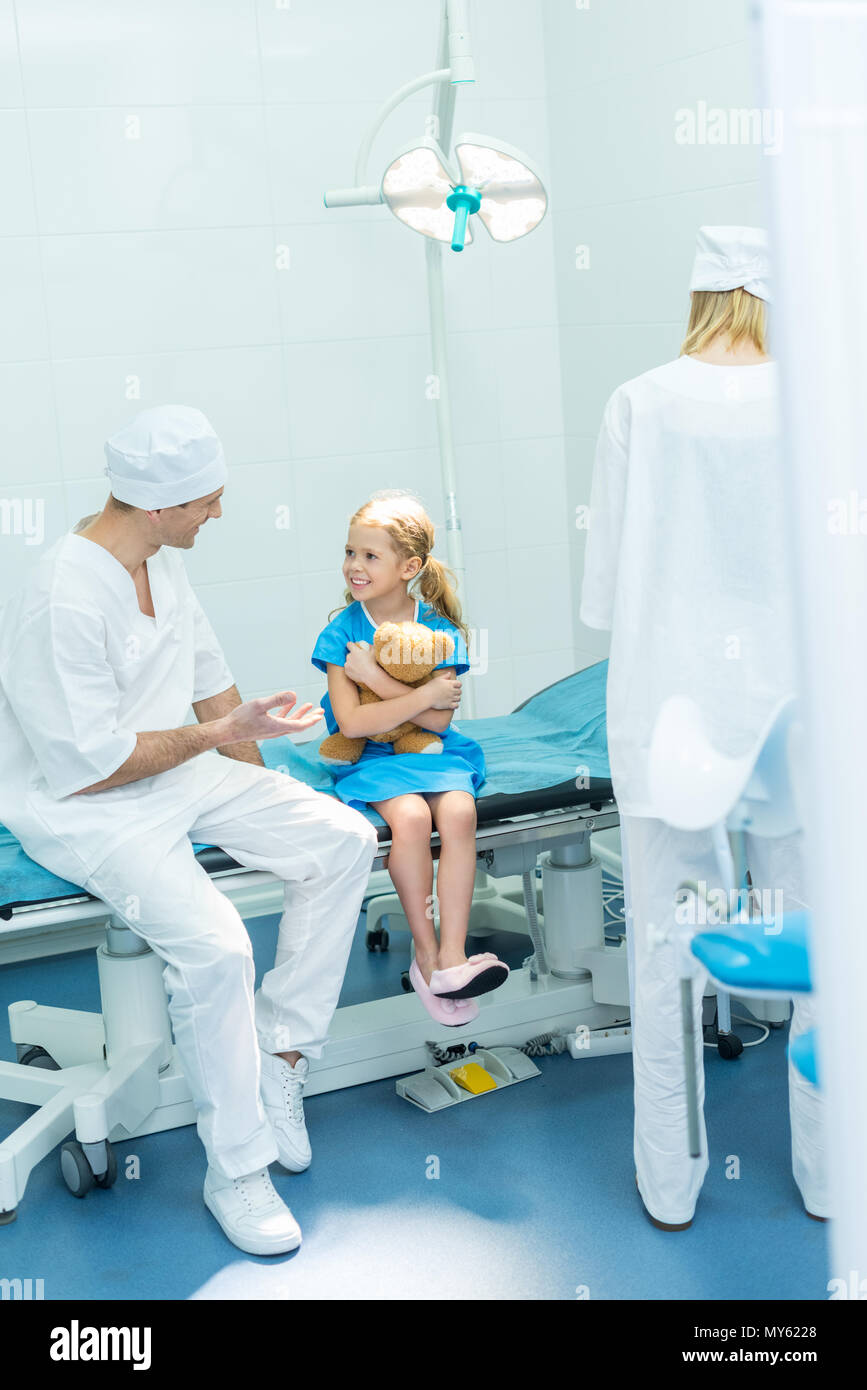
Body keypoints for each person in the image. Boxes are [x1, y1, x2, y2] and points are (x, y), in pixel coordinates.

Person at [0, 405, 378, 1256]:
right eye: (206, 501)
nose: (216, 514)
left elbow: (214, 695)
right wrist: (215, 737)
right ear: (161, 505)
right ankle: (235, 1170)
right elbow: (90, 765)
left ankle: (280, 1058)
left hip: (177, 773)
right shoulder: (64, 595)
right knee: (219, 950)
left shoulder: (161, 566)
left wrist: (262, 792)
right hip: (87, 807)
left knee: (340, 838)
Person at [580, 227, 826, 1229]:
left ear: (698, 294)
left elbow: (602, 598)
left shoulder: (638, 402)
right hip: (798, 709)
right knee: (822, 949)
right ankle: (830, 1178)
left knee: (667, 952)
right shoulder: (817, 402)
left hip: (671, 708)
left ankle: (672, 1184)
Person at [311, 492, 508, 1026]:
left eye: (370, 556)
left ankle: (453, 955)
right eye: (351, 552)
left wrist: (375, 680)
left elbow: (439, 724)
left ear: (410, 567)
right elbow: (353, 724)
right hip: (370, 757)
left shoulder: (439, 631)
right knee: (414, 818)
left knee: (461, 814)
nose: (354, 566)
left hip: (434, 751)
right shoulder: (341, 633)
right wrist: (420, 698)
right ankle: (426, 955)